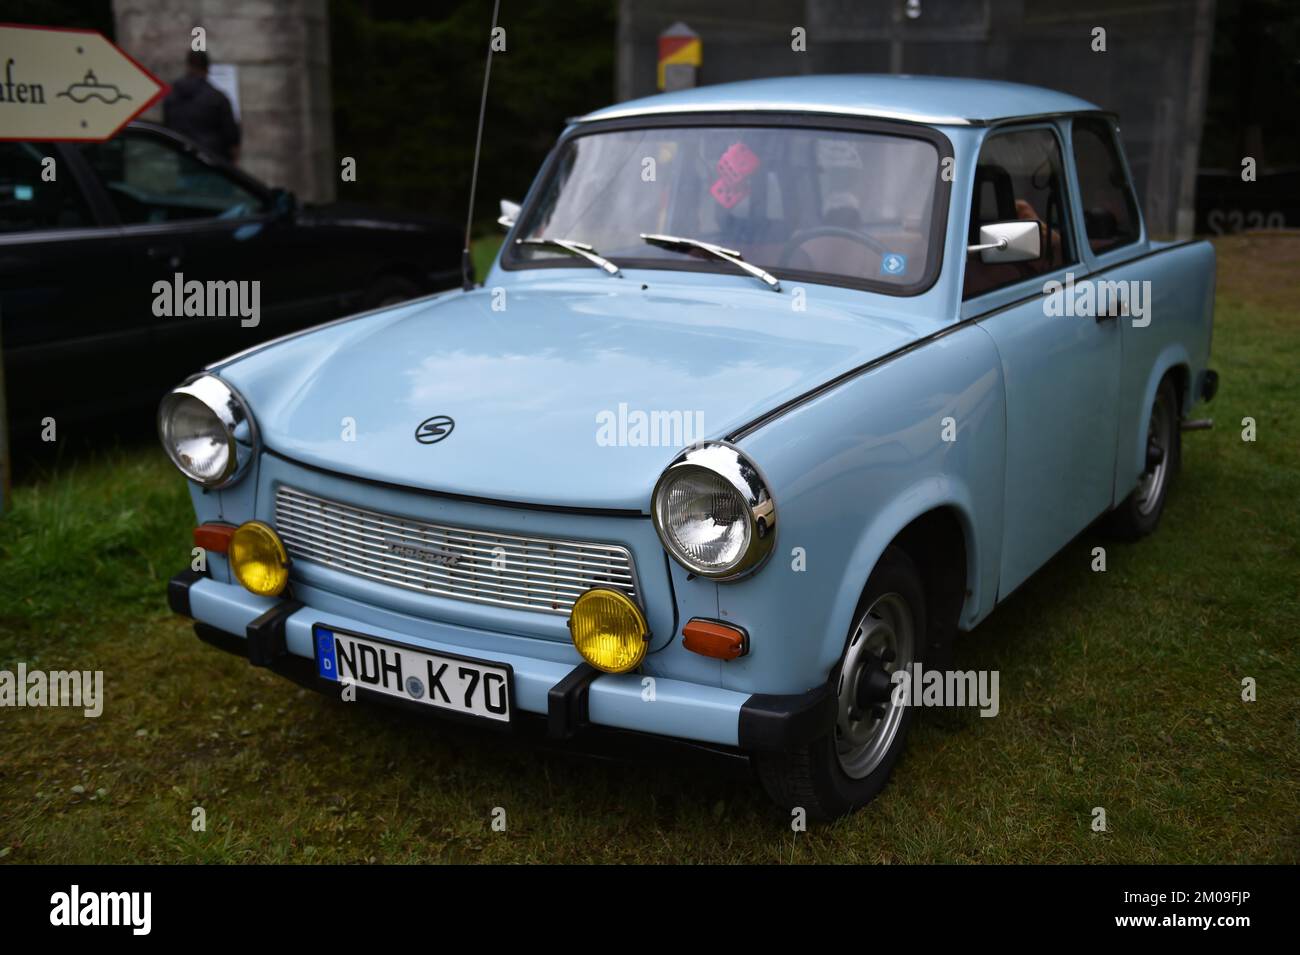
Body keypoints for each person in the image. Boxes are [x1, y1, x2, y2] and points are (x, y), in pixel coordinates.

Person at [162, 50, 240, 164]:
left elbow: (167, 129)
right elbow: (232, 137)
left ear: (187, 66)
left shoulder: (171, 96)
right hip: (212, 162)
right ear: (207, 68)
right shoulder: (218, 98)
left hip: (184, 161)